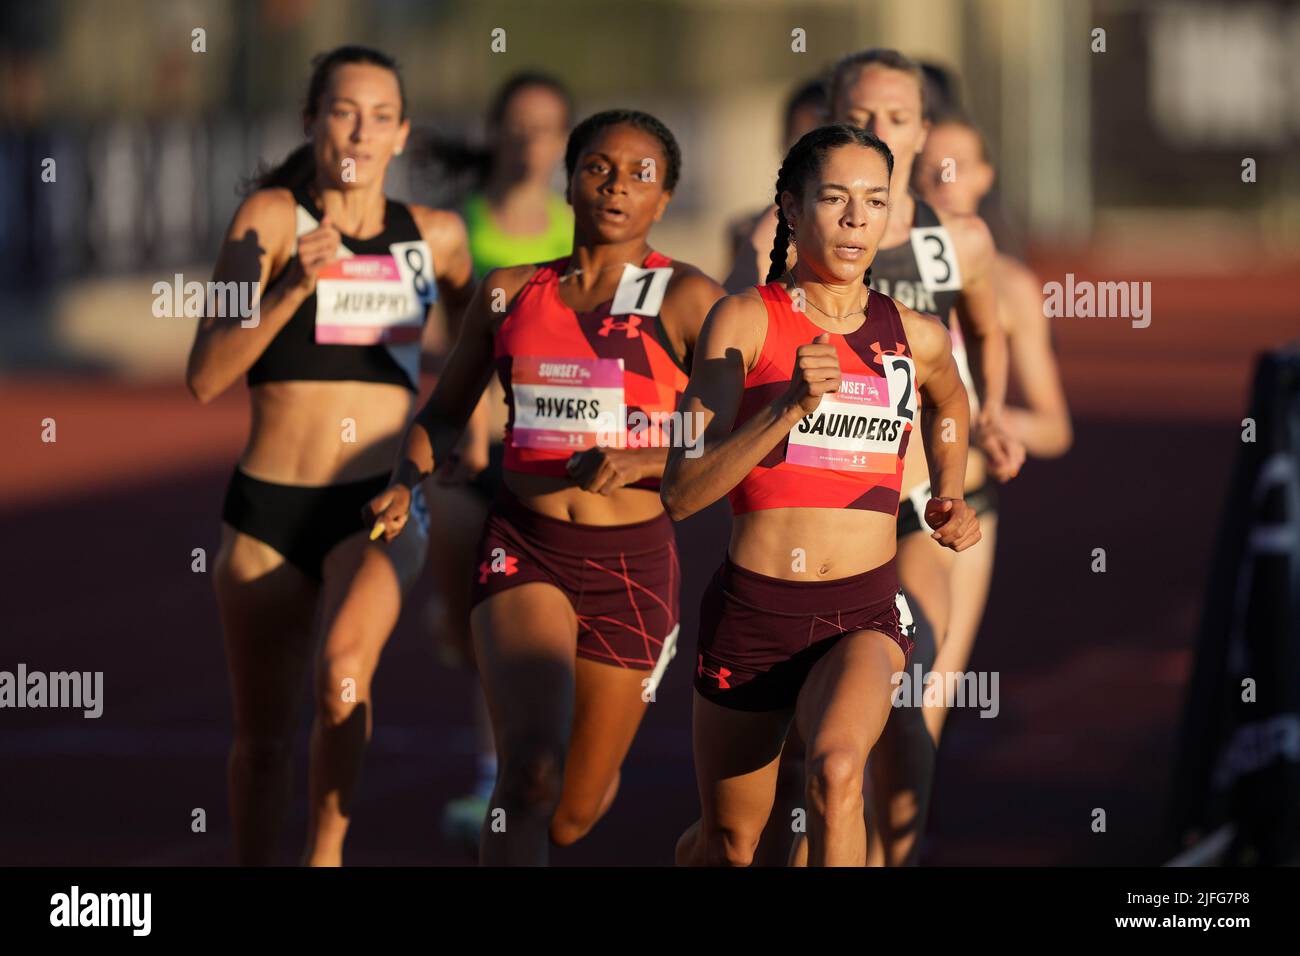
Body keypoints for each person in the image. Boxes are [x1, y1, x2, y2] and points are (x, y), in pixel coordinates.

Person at [366, 109, 725, 865]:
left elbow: (726, 441)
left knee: (572, 812)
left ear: (664, 200)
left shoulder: (690, 301)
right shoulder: (508, 295)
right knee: (527, 775)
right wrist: (407, 481)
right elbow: (445, 408)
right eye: (597, 167)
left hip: (633, 568)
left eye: (640, 175)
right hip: (525, 546)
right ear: (568, 182)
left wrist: (640, 461)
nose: (616, 186)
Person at [185, 45, 473, 865]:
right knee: (263, 741)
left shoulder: (435, 236)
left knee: (344, 672)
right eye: (344, 111)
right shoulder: (270, 222)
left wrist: (459, 426)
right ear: (312, 121)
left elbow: (478, 338)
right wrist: (288, 292)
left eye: (381, 116)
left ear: (403, 135)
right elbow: (206, 376)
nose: (361, 130)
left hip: (375, 504)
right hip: (266, 511)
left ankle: (327, 856)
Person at [663, 123, 979, 867]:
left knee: (838, 773)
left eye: (874, 201)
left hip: (862, 612)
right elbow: (682, 490)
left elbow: (951, 400)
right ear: (792, 210)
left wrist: (951, 492)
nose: (854, 219)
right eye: (834, 198)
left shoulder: (913, 334)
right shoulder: (742, 321)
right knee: (731, 844)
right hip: (754, 613)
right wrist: (786, 410)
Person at [756, 47, 1024, 868]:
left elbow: (982, 331)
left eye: (897, 118)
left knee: (908, 706)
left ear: (922, 130)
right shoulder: (782, 233)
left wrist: (985, 416)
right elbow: (745, 340)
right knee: (807, 744)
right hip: (812, 508)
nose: (878, 130)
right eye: (861, 114)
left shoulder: (959, 241)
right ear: (829, 116)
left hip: (910, 510)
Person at [421, 71, 577, 851]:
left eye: (546, 128)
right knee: (469, 620)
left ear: (564, 142)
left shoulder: (577, 226)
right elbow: (435, 329)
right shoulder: (461, 225)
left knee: (538, 627)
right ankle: (499, 765)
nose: (529, 141)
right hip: (470, 449)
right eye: (515, 126)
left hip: (548, 453)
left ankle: (517, 769)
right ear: (493, 131)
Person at [907, 106, 1073, 746]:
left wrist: (982, 421)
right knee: (850, 721)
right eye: (930, 168)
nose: (944, 179)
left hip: (963, 509)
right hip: (871, 503)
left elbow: (1056, 428)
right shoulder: (878, 273)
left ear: (984, 177)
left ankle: (896, 847)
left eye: (958, 167)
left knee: (922, 715)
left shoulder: (1008, 285)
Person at [722, 78, 827, 294]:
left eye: (825, 144)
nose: (811, 158)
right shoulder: (753, 231)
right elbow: (731, 308)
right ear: (782, 142)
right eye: (800, 142)